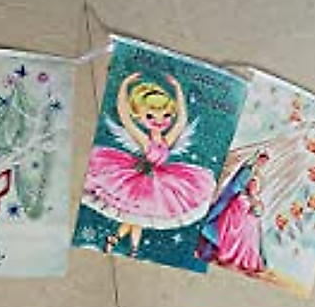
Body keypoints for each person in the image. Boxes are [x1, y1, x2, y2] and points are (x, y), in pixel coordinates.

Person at [81, 72, 216, 256]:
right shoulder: (145, 141)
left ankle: (120, 242)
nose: (160, 121)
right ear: (140, 117)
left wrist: (178, 89)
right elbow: (124, 116)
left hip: (158, 180)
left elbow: (182, 120)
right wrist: (124, 85)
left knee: (137, 219)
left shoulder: (167, 140)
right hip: (139, 180)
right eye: (151, 116)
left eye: (166, 115)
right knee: (136, 218)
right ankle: (127, 246)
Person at [198, 149, 269, 271]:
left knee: (249, 229)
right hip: (235, 202)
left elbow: (255, 193)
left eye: (264, 161)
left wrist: (254, 201)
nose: (262, 163)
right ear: (257, 158)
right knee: (223, 226)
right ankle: (211, 250)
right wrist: (246, 197)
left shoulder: (258, 175)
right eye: (261, 159)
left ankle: (240, 254)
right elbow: (237, 186)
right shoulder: (247, 170)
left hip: (244, 205)